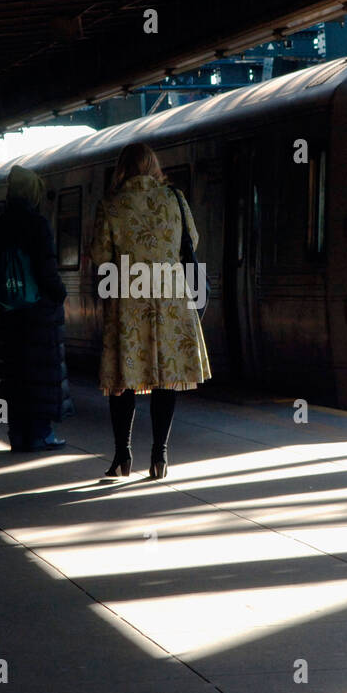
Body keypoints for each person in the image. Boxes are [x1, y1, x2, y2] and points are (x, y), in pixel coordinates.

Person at [89, 142, 211, 479]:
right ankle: (160, 458)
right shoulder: (174, 198)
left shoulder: (111, 205)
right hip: (170, 298)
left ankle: (122, 457)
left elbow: (100, 255)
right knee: (165, 377)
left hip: (128, 297)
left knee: (122, 380)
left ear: (123, 168)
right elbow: (193, 240)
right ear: (154, 165)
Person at [0, 165, 73, 451]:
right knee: (41, 372)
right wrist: (58, 294)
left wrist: (8, 289)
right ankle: (41, 433)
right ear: (33, 192)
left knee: (14, 374)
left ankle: (17, 434)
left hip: (10, 311)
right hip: (39, 313)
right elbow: (46, 270)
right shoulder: (37, 223)